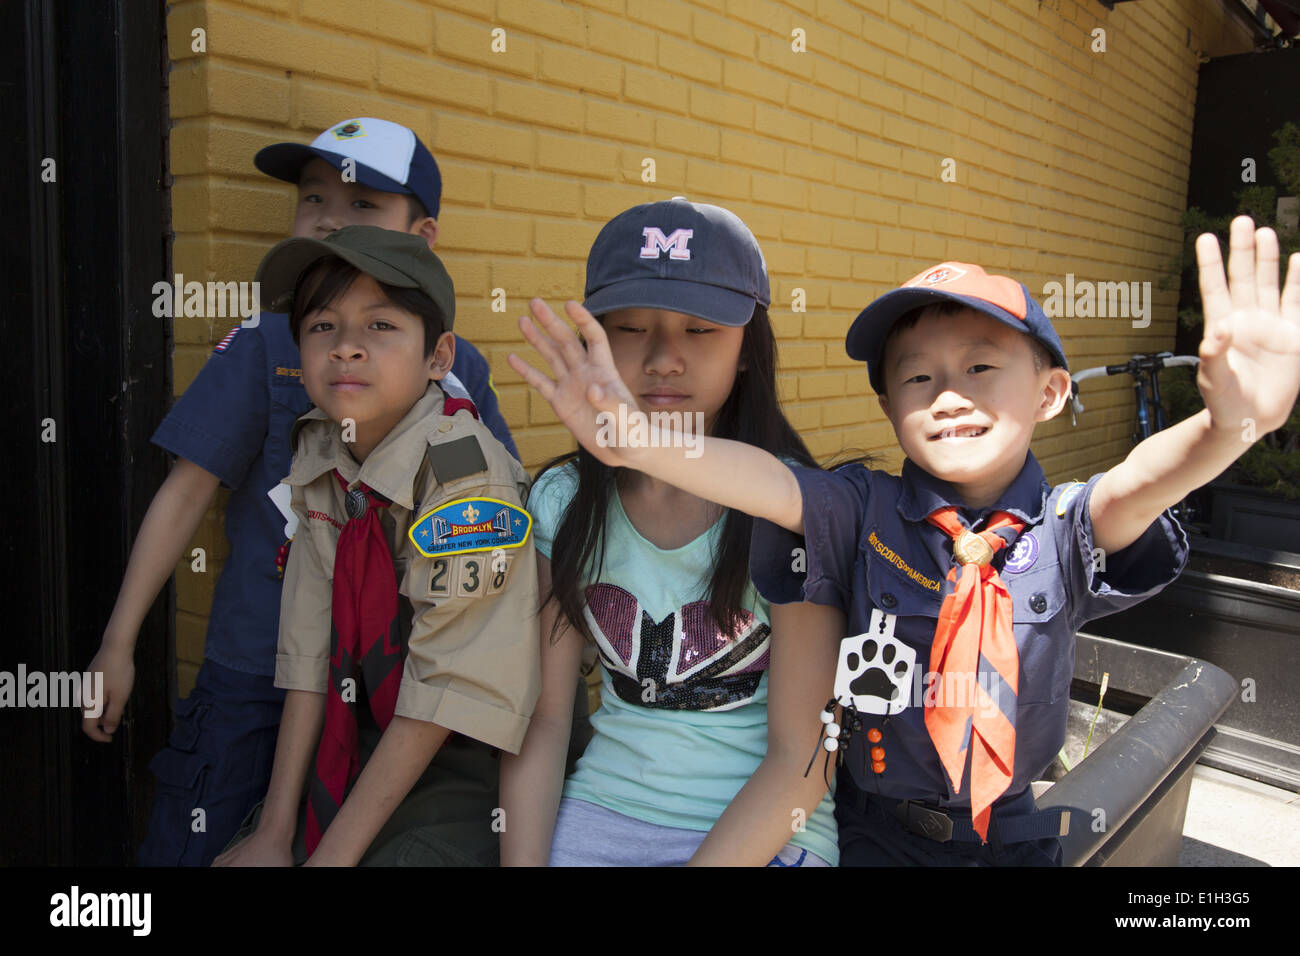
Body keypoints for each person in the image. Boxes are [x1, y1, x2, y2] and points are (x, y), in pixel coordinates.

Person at [510, 216, 1300, 865]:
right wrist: (638, 444)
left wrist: (1228, 428)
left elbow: (1135, 484)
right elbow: (769, 485)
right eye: (919, 377)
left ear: (1053, 392)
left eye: (982, 366)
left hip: (1011, 836)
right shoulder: (861, 508)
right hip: (876, 831)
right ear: (888, 404)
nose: (950, 395)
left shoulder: (1062, 531)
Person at [83, 117, 517, 866]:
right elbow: (187, 491)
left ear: (423, 235)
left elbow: (493, 516)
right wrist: (118, 641)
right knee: (205, 842)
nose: (329, 219)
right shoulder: (271, 339)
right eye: (312, 198)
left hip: (385, 684)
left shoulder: (455, 368)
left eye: (362, 206)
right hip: (256, 665)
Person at [499, 198, 841, 867]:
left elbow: (803, 755)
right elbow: (542, 721)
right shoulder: (563, 502)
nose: (663, 358)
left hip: (767, 830)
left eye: (701, 330)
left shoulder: (791, 505)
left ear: (748, 350)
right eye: (629, 328)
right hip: (606, 812)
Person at [214, 225, 538, 866]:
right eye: (322, 327)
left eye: (381, 326)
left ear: (438, 356)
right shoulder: (321, 450)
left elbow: (446, 695)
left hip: (473, 748)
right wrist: (276, 831)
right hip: (365, 726)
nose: (346, 349)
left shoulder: (466, 477)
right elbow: (310, 646)